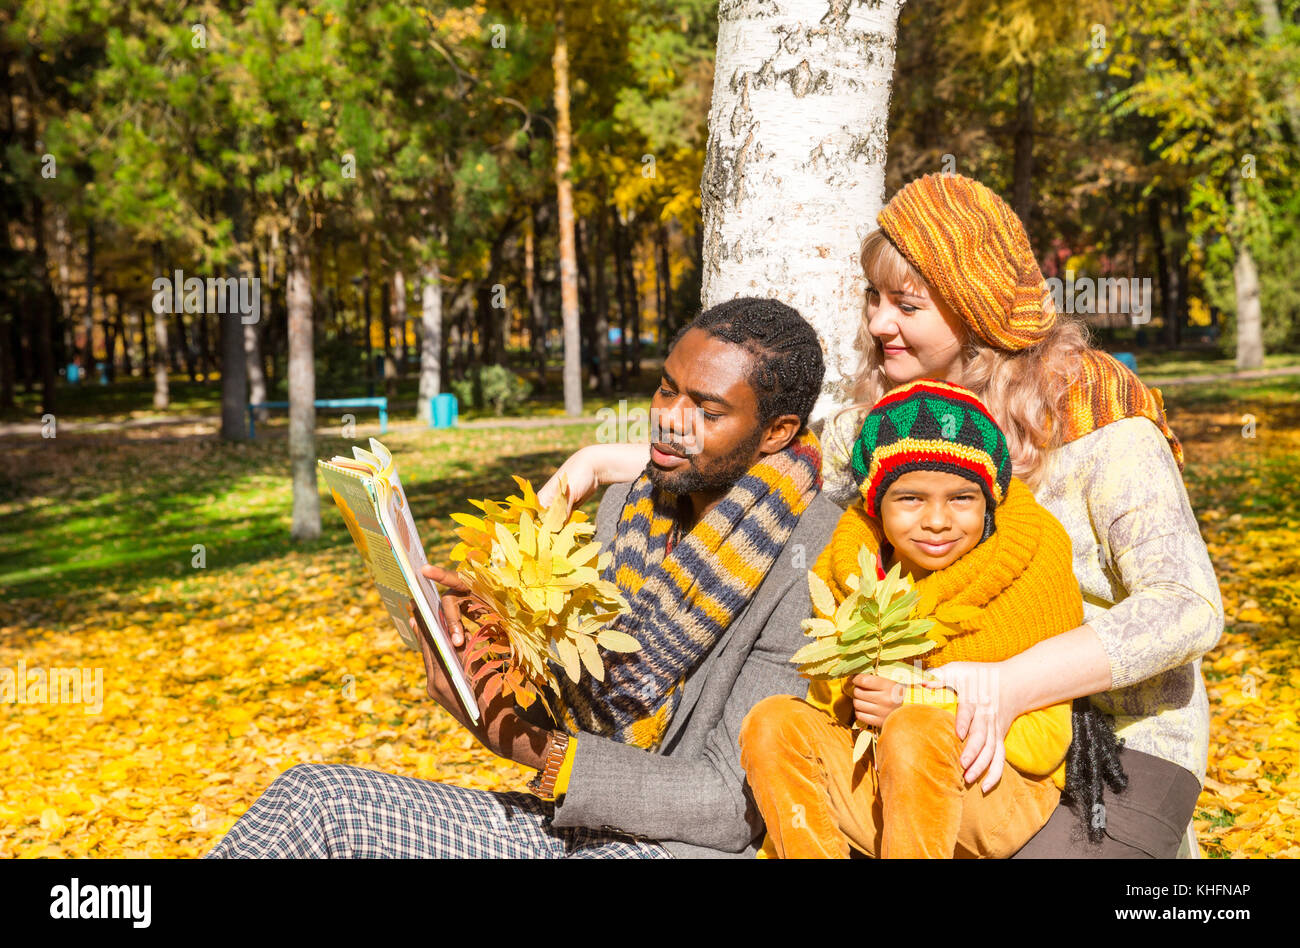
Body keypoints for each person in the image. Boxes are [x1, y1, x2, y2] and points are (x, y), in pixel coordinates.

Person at [539, 174, 1224, 858]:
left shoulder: (1099, 425)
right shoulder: (887, 425)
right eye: (874, 297)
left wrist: (1011, 684)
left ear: (975, 306)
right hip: (921, 729)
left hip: (1105, 750)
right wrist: (605, 459)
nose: (876, 322)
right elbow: (767, 457)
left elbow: (1185, 606)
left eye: (907, 304)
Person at [205, 297, 843, 858]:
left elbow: (730, 803)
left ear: (777, 432)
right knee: (315, 802)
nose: (670, 419)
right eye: (665, 389)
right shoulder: (632, 505)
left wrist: (532, 749)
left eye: (705, 409)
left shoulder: (817, 558)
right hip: (580, 826)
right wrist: (483, 656)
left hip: (685, 850)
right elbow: (582, 695)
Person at [739, 378, 1127, 858]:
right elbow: (827, 705)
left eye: (962, 498)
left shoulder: (1029, 574)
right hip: (882, 788)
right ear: (876, 506)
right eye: (911, 498)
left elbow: (1047, 742)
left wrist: (914, 701)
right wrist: (856, 685)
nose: (938, 520)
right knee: (772, 720)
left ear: (989, 505)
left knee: (913, 729)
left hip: (993, 790)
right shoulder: (854, 569)